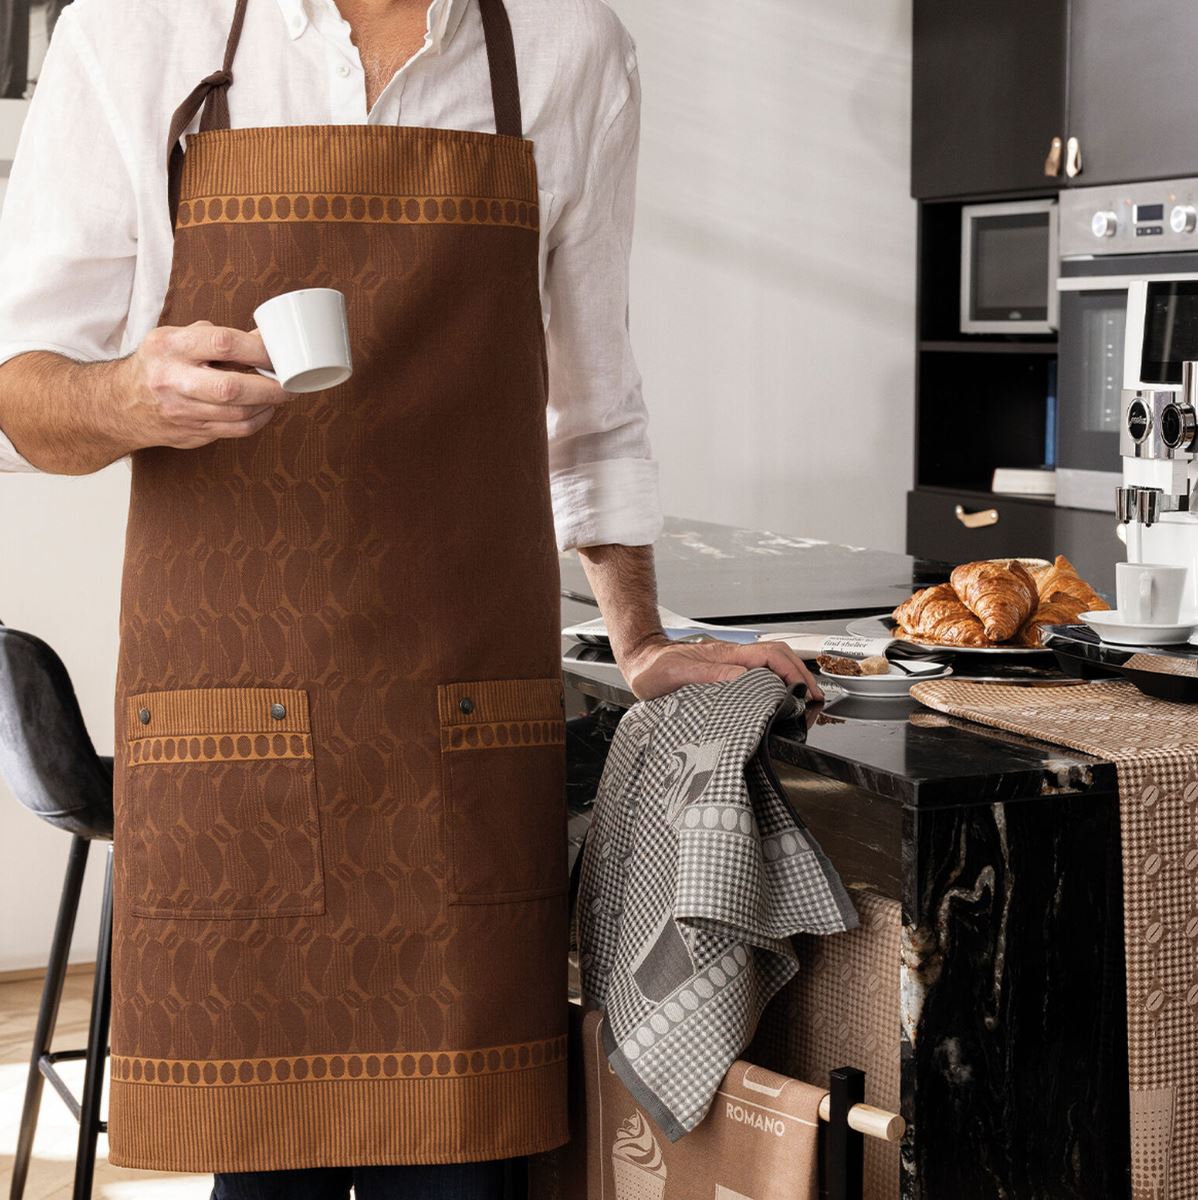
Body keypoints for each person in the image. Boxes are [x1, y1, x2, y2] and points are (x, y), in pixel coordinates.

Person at [0, 1, 822, 1196]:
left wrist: (639, 635)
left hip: (458, 730)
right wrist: (132, 394)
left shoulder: (565, 48)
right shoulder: (139, 31)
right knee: (261, 1166)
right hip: (232, 728)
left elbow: (589, 392)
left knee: (468, 1168)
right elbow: (21, 395)